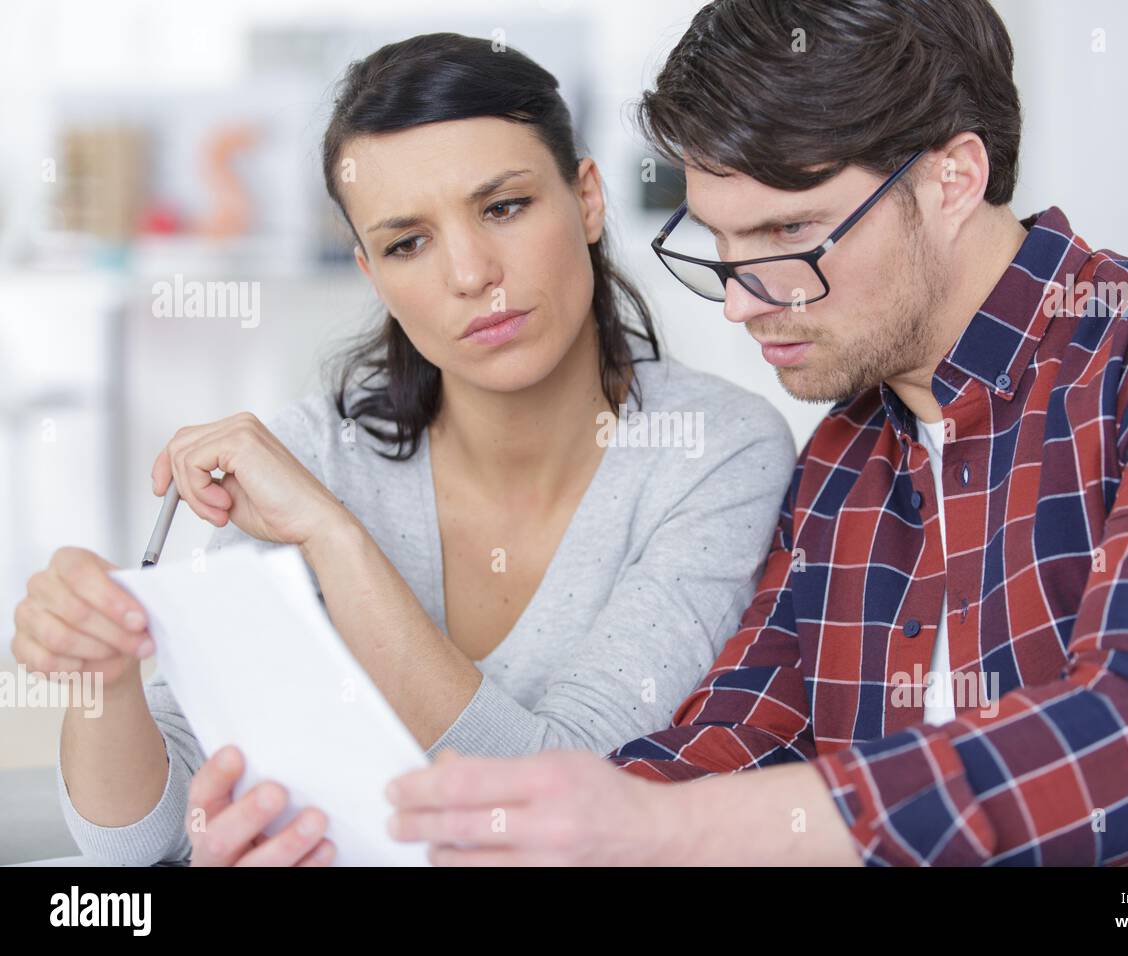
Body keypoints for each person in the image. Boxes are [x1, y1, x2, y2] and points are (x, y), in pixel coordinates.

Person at [385, 0, 1128, 867]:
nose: (743, 300)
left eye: (788, 230)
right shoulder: (844, 458)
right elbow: (737, 740)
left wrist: (665, 826)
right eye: (718, 240)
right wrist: (472, 838)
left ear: (954, 179)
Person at [10, 32, 794, 866]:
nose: (469, 272)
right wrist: (105, 677)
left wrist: (336, 543)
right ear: (371, 273)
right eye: (407, 243)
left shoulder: (719, 453)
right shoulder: (315, 451)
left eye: (504, 207)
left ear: (589, 199)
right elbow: (136, 841)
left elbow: (562, 793)